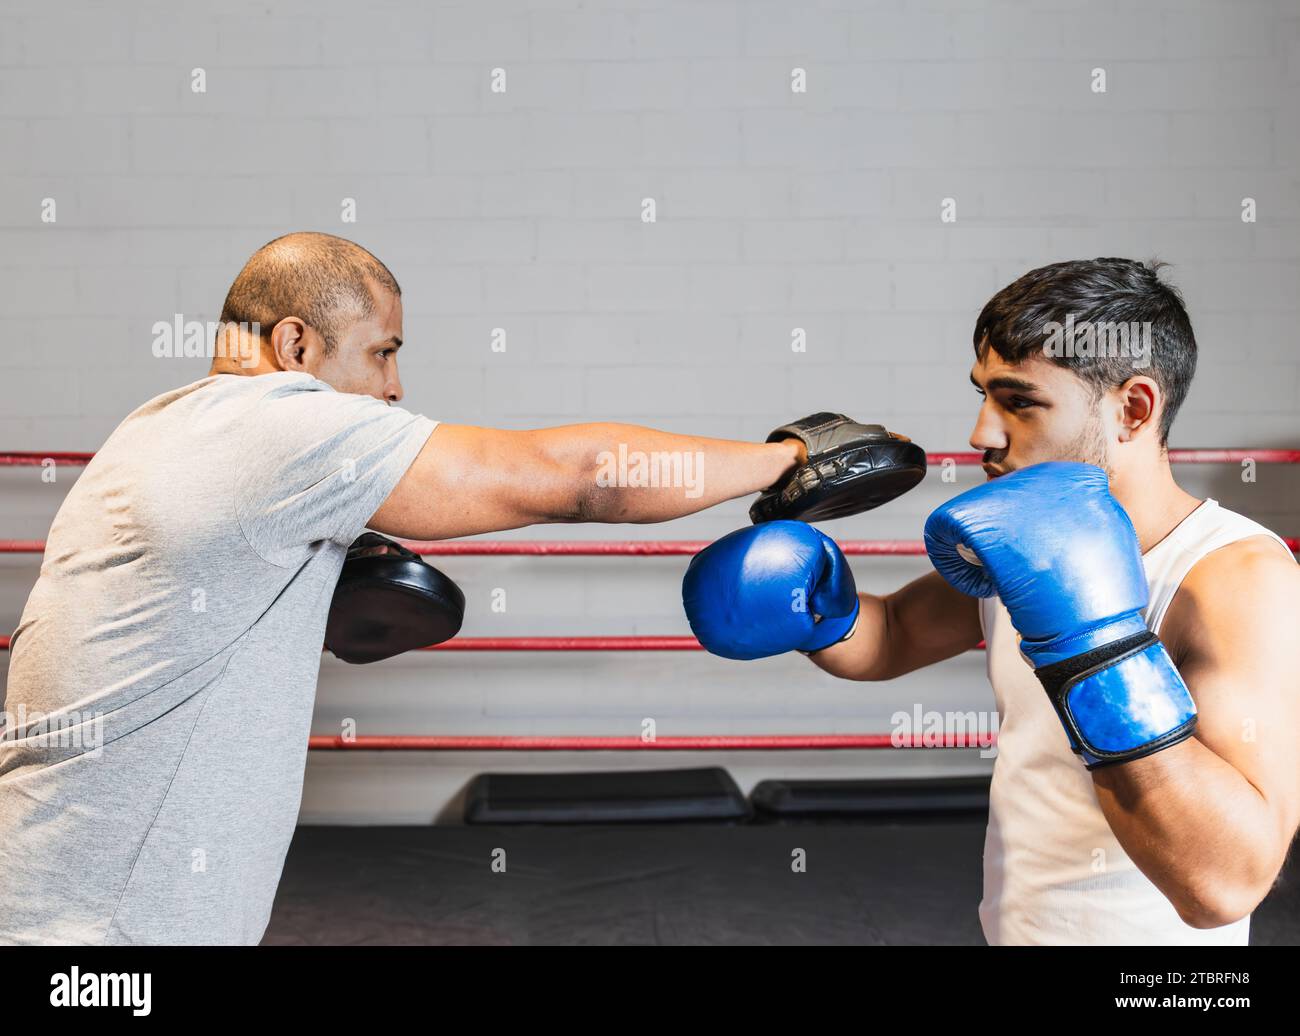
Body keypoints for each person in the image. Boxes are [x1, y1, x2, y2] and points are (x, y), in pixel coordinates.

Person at [0, 231, 833, 945]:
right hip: (107, 939)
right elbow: (573, 476)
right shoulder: (278, 426)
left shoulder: (160, 429)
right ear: (295, 348)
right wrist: (792, 459)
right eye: (384, 352)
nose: (396, 386)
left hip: (65, 907)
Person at [685, 258, 1300, 945]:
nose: (982, 432)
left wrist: (1094, 644)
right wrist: (813, 601)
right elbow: (890, 637)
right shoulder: (1015, 543)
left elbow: (1226, 884)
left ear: (1133, 408)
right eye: (982, 395)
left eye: (1019, 401)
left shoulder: (1234, 574)